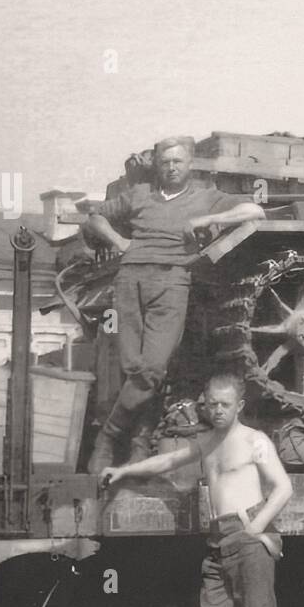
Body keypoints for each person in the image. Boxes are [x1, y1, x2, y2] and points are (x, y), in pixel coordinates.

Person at [100, 373, 293, 607]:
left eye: (226, 404)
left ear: (240, 406)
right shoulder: (207, 442)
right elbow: (165, 462)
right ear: (204, 404)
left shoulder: (256, 441)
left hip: (249, 538)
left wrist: (255, 526)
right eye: (213, 404)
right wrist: (121, 471)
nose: (218, 411)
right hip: (218, 541)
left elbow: (283, 488)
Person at [82, 136, 266, 472]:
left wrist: (206, 221)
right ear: (157, 165)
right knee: (133, 369)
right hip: (129, 281)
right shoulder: (139, 195)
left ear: (189, 164)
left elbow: (254, 210)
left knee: (151, 369)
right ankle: (139, 443)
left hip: (171, 281)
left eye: (177, 162)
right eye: (165, 162)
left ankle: (107, 440)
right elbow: (94, 218)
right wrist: (120, 241)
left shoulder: (205, 197)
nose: (171, 168)